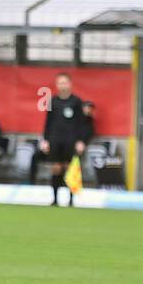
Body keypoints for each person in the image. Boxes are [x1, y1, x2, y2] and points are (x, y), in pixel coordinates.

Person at [35, 72, 89, 206]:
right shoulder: (52, 101)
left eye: (64, 82)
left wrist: (81, 141)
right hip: (55, 138)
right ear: (56, 85)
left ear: (70, 84)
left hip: (71, 139)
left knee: (70, 168)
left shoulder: (76, 102)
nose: (62, 85)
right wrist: (45, 140)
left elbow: (82, 123)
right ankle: (55, 199)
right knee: (56, 167)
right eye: (60, 83)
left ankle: (71, 200)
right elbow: (48, 122)